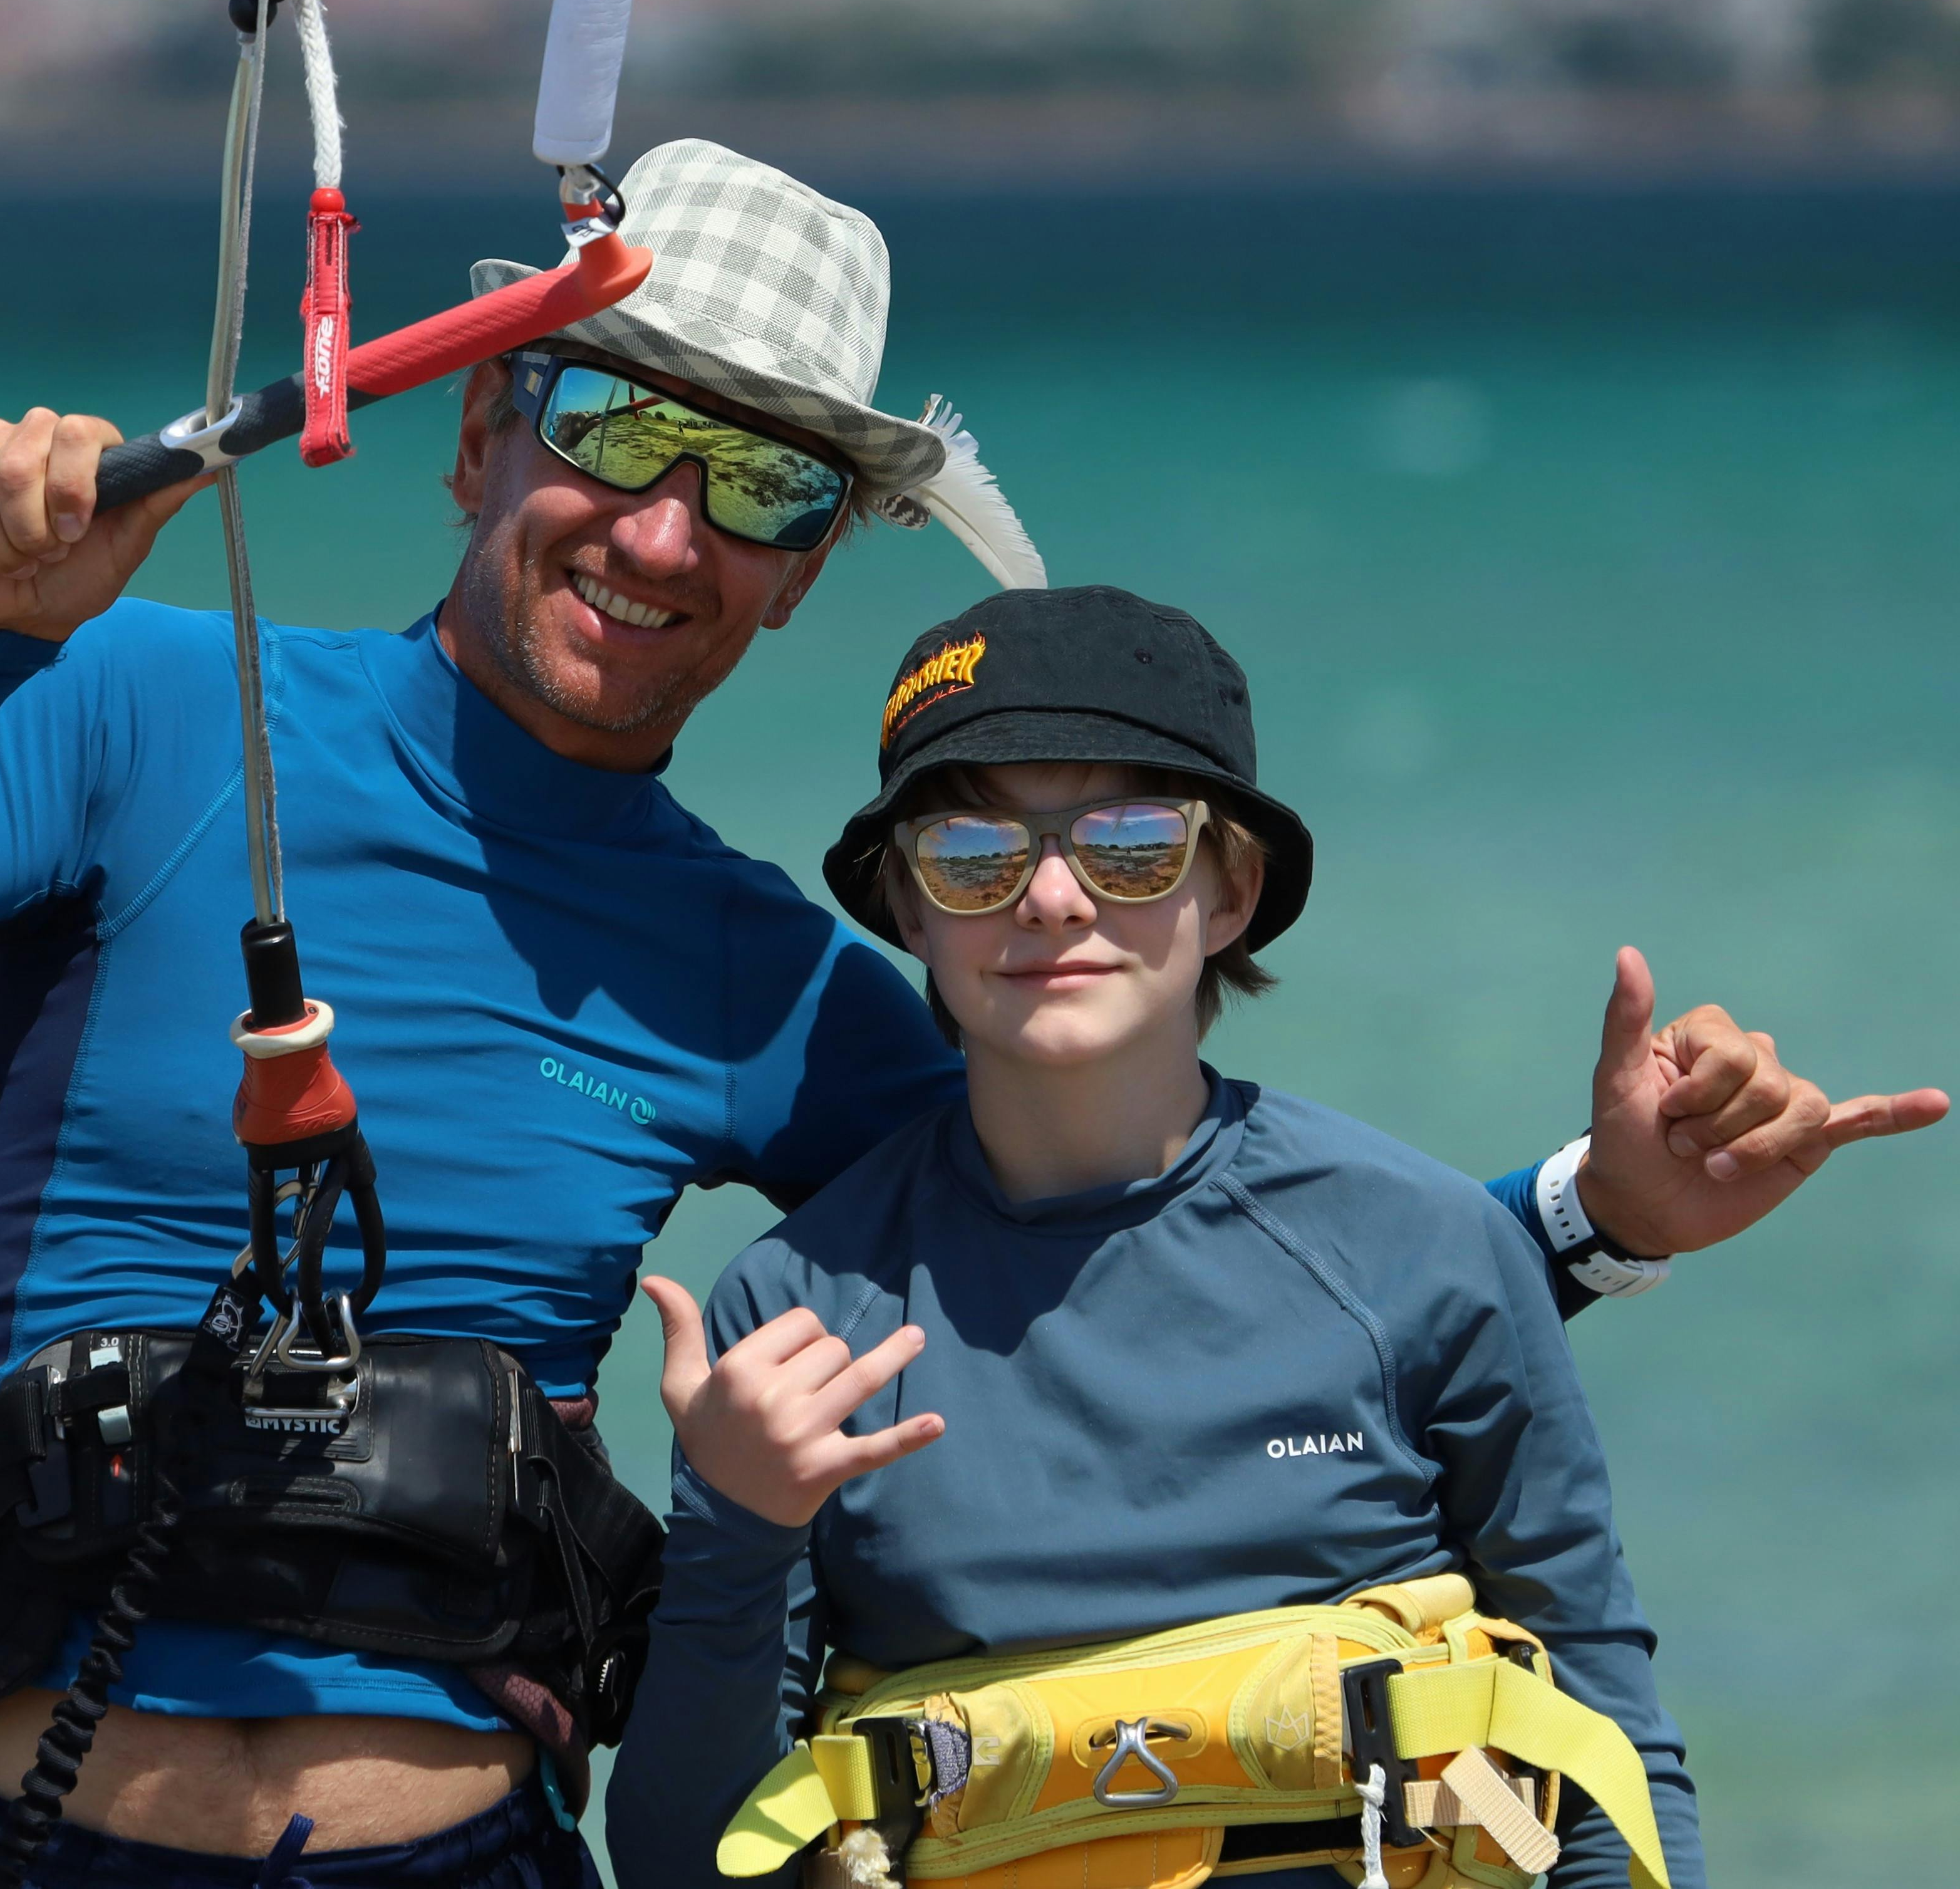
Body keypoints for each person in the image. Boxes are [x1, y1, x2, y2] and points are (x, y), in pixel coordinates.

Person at [0, 143, 1935, 1889]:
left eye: (758, 484)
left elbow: (1125, 1240)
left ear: (809, 568)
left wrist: (1586, 1218)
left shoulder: (755, 972)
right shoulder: (135, 700)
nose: (661, 528)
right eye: (616, 430)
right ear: (477, 431)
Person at [606, 589, 1753, 1889]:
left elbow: (1603, 1747)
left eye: (1131, 844)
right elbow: (678, 1868)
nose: (1049, 899)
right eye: (972, 853)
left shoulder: (1424, 1245)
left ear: (1232, 889)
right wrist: (736, 1536)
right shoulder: (803, 1313)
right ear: (908, 908)